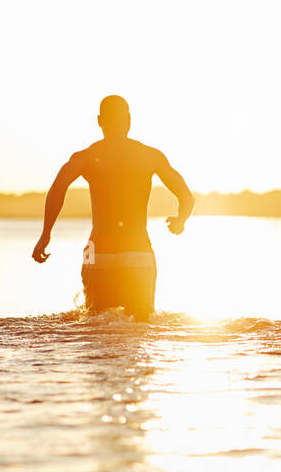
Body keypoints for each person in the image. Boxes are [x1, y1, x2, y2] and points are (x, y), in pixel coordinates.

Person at [31, 95, 194, 321]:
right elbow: (186, 196)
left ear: (99, 121)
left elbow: (58, 188)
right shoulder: (150, 156)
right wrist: (180, 220)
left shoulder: (85, 157)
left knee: (95, 321)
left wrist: (45, 234)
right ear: (128, 120)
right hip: (139, 251)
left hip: (97, 251)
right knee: (141, 324)